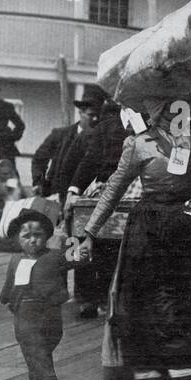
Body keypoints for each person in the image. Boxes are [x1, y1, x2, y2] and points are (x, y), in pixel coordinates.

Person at [79, 97, 191, 380]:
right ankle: (157, 377)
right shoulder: (138, 143)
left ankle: (187, 372)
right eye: (167, 108)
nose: (176, 113)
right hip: (149, 228)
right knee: (149, 300)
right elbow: (114, 187)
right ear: (155, 110)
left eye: (181, 107)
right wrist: (90, 231)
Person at [0, 210, 78, 380]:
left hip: (50, 309)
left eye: (38, 235)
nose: (33, 240)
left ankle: (41, 375)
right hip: (24, 309)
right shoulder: (16, 260)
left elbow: (76, 257)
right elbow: (10, 282)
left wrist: (74, 241)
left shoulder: (54, 256)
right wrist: (5, 296)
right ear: (17, 239)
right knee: (33, 345)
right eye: (27, 236)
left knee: (50, 339)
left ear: (47, 237)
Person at [66, 98, 129, 319]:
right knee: (82, 236)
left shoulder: (156, 125)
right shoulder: (107, 126)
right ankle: (87, 296)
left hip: (140, 189)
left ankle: (113, 298)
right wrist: (73, 190)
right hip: (106, 190)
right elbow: (90, 161)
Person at [31, 85, 107, 203]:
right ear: (80, 112)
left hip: (82, 196)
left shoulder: (102, 139)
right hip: (55, 195)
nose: (96, 119)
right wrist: (39, 182)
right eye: (91, 115)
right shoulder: (60, 134)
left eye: (98, 115)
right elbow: (39, 158)